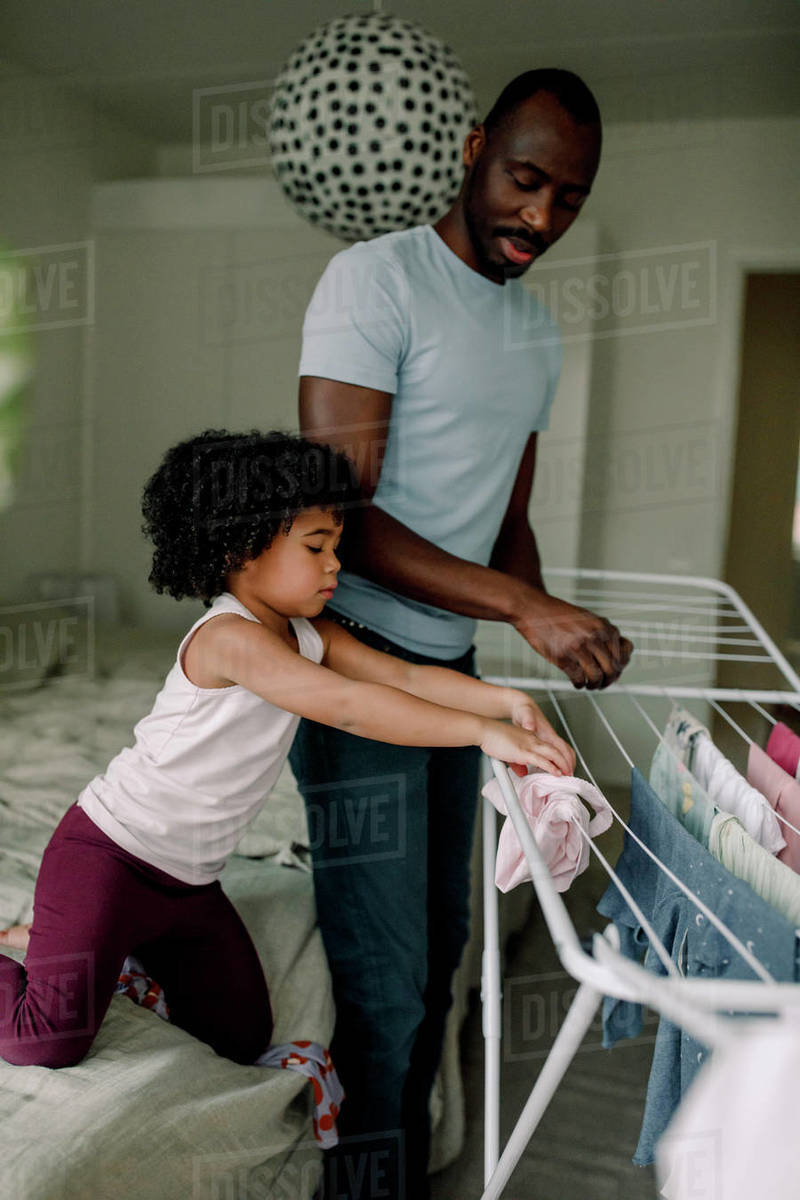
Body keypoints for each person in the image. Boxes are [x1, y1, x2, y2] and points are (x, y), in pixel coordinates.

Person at [291, 68, 633, 1197]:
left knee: (439, 962)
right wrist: (518, 603)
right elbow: (340, 518)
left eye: (567, 198)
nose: (540, 218)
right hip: (355, 662)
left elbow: (507, 520)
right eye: (524, 180)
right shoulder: (372, 280)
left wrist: (537, 634)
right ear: (476, 146)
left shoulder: (534, 336)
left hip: (453, 674)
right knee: (387, 989)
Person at [0, 429, 575, 1085]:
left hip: (189, 883)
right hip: (109, 858)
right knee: (45, 1040)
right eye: (316, 547)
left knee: (238, 1035)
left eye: (335, 545)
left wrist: (503, 700)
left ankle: (91, 947)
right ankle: (35, 945)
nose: (336, 564)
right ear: (242, 548)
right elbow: (350, 706)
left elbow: (403, 679)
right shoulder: (227, 639)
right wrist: (482, 734)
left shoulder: (304, 633)